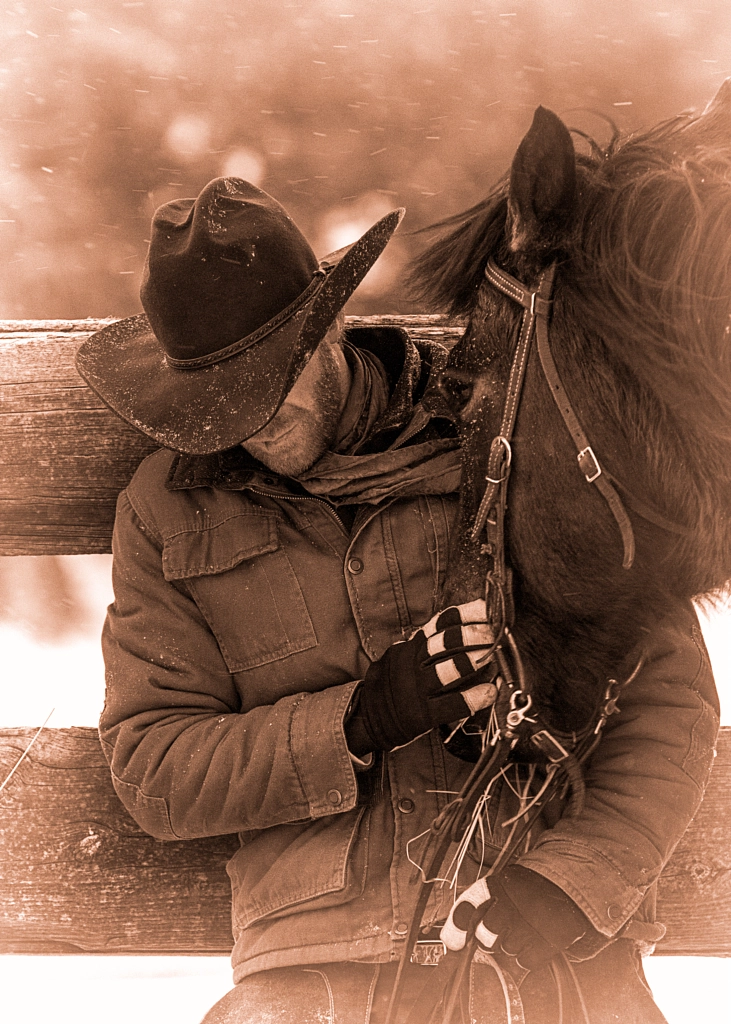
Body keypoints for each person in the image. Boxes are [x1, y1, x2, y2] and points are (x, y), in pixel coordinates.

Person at [76, 177, 719, 1024]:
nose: (251, 423)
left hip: (543, 939)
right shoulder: (165, 509)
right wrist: (358, 719)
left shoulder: (508, 437)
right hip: (312, 963)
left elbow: (667, 701)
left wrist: (569, 886)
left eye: (271, 379)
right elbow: (155, 771)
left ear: (328, 327)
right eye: (218, 404)